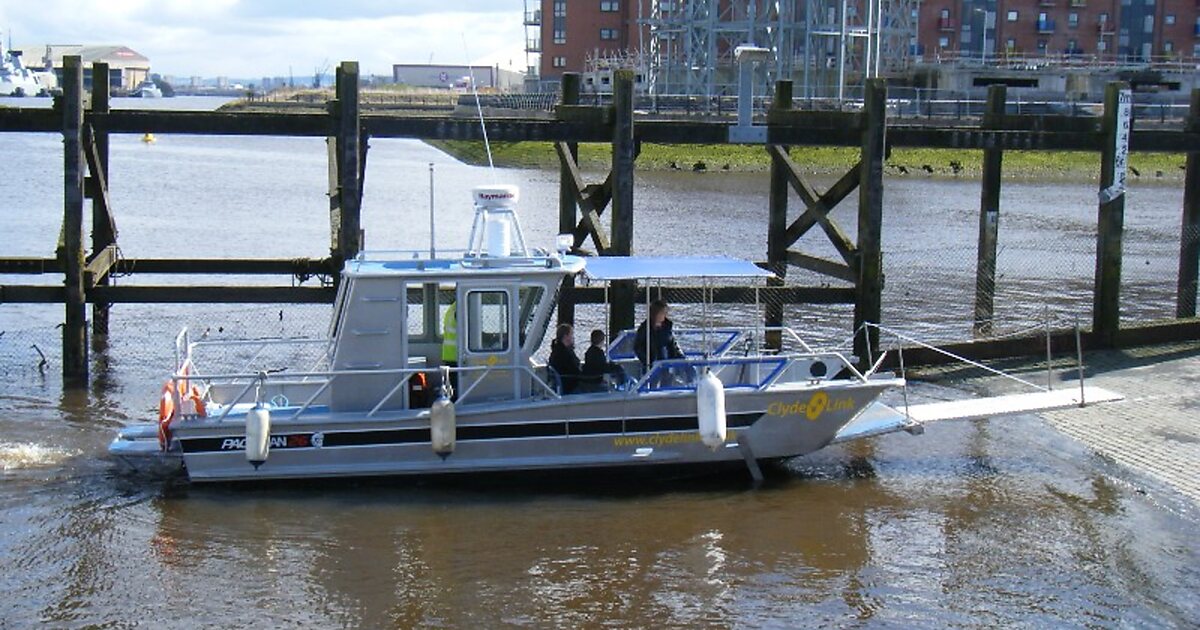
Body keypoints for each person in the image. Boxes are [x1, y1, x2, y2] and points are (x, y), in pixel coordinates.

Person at [634, 299, 685, 373]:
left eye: (665, 313)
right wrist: (648, 362)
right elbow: (638, 347)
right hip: (652, 365)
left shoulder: (667, 327)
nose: (664, 315)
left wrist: (681, 358)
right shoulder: (645, 328)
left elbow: (673, 344)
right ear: (655, 313)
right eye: (662, 313)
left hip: (667, 364)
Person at [548, 323, 584, 395]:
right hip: (570, 386)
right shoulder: (563, 354)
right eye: (571, 334)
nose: (573, 337)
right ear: (566, 336)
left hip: (566, 383)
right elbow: (575, 371)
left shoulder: (557, 349)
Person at [441, 301, 458, 397]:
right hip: (456, 356)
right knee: (456, 390)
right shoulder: (460, 309)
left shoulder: (452, 308)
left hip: (449, 354)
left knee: (452, 388)